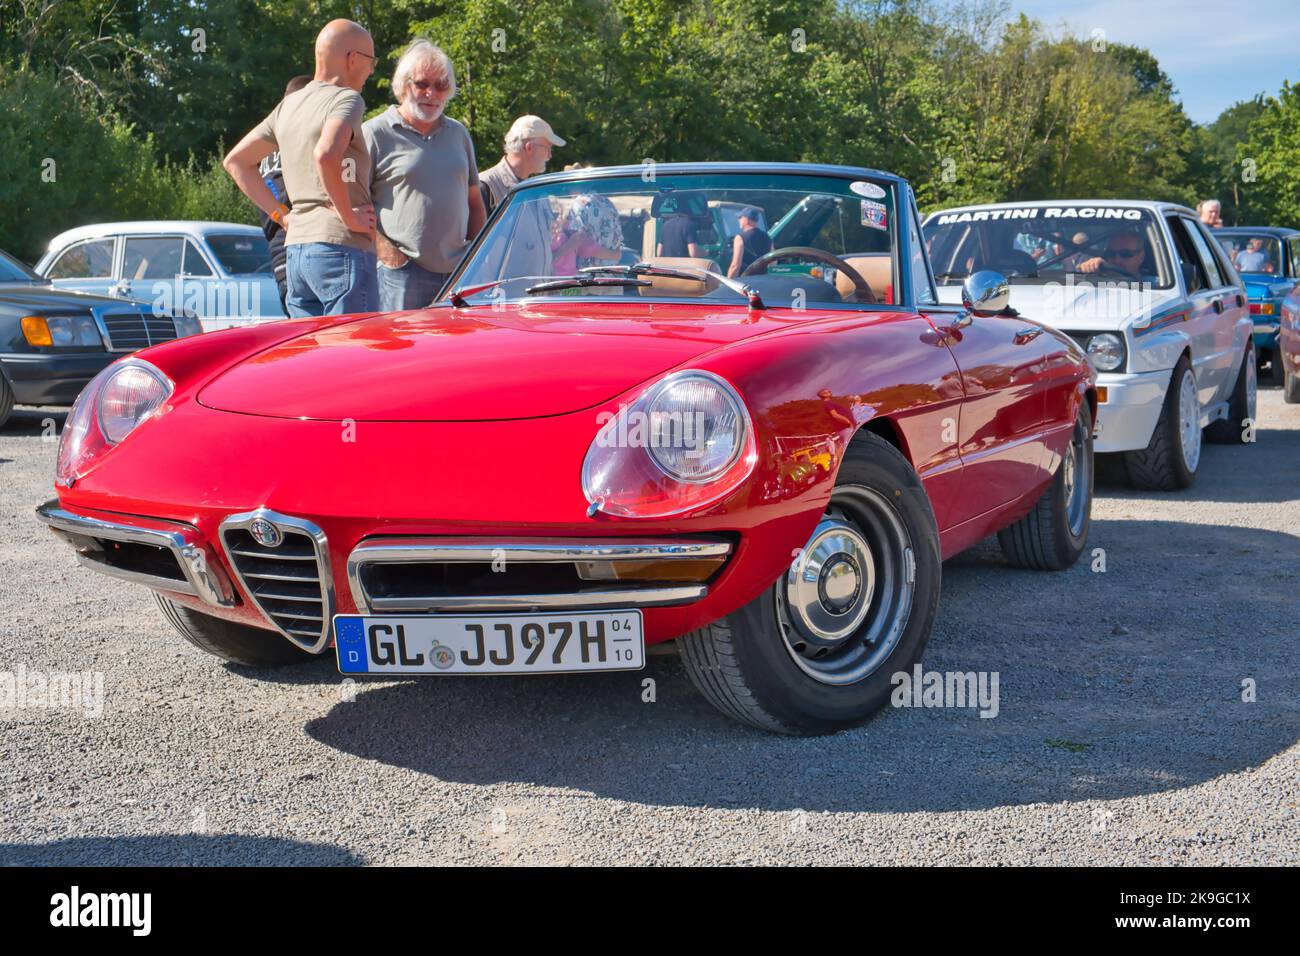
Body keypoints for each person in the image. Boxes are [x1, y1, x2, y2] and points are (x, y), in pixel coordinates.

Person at [223, 19, 378, 317]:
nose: (372, 70)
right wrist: (349, 217)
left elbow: (236, 162)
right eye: (371, 61)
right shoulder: (347, 99)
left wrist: (282, 217)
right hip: (342, 248)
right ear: (352, 59)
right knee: (351, 356)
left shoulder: (288, 105)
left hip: (297, 252)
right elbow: (326, 153)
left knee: (311, 359)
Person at [365, 40, 484, 312]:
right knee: (403, 352)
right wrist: (387, 253)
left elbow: (474, 201)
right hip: (402, 273)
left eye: (441, 85)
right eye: (422, 84)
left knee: (455, 353)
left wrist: (478, 260)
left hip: (459, 272)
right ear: (404, 85)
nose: (431, 93)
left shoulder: (459, 134)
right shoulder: (375, 133)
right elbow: (353, 201)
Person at [257, 74, 313, 313]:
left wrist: (280, 215)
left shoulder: (265, 149)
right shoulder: (300, 141)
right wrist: (285, 216)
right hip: (300, 249)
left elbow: (268, 193)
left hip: (279, 253)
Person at [479, 115, 566, 215]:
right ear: (529, 147)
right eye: (548, 148)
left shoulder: (534, 189)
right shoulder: (486, 186)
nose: (550, 155)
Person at [1076, 229, 1153, 280]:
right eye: (1111, 253)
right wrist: (1090, 269)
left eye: (1125, 254)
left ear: (1141, 257)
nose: (1117, 259)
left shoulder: (1155, 286)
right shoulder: (1097, 281)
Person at [727, 207, 771, 278]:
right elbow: (773, 262)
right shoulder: (767, 237)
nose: (739, 220)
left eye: (740, 217)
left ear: (746, 219)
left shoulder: (740, 238)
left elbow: (735, 266)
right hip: (763, 280)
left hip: (746, 282)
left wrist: (728, 284)